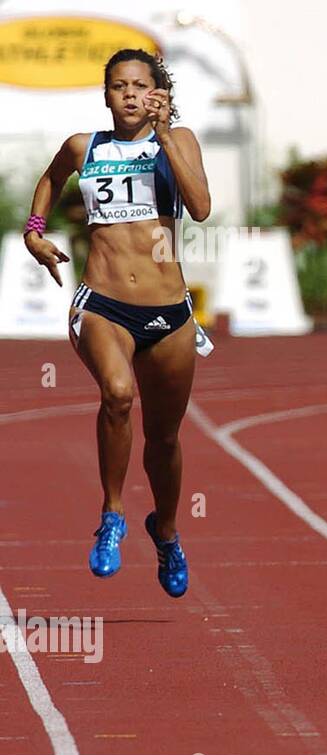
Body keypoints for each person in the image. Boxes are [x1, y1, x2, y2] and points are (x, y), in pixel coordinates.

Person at [24, 49, 211, 598]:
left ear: (158, 93)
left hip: (170, 314)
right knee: (118, 394)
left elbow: (200, 207)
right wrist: (35, 231)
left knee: (166, 439)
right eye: (118, 86)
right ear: (105, 95)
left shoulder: (179, 142)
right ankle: (112, 514)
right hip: (102, 304)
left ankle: (168, 531)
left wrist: (167, 132)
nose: (128, 94)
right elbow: (50, 179)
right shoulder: (86, 147)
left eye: (139, 85)